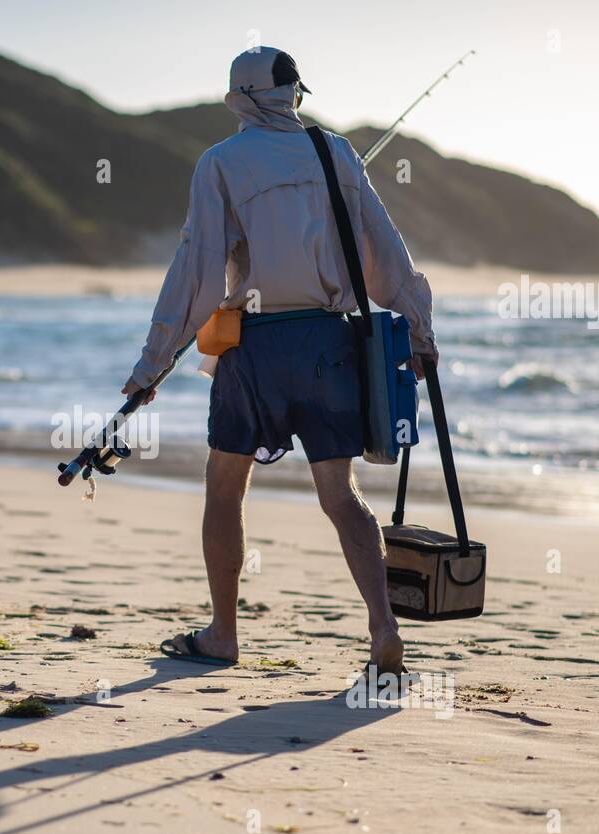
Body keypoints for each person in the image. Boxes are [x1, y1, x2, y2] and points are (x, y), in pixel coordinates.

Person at [122, 47, 437, 674]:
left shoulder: (220, 163)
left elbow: (197, 271)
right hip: (330, 344)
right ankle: (382, 628)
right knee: (341, 495)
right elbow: (384, 250)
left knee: (224, 487)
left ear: (238, 98)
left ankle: (223, 635)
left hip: (256, 347)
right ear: (294, 94)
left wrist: (152, 364)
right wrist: (420, 329)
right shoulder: (337, 153)